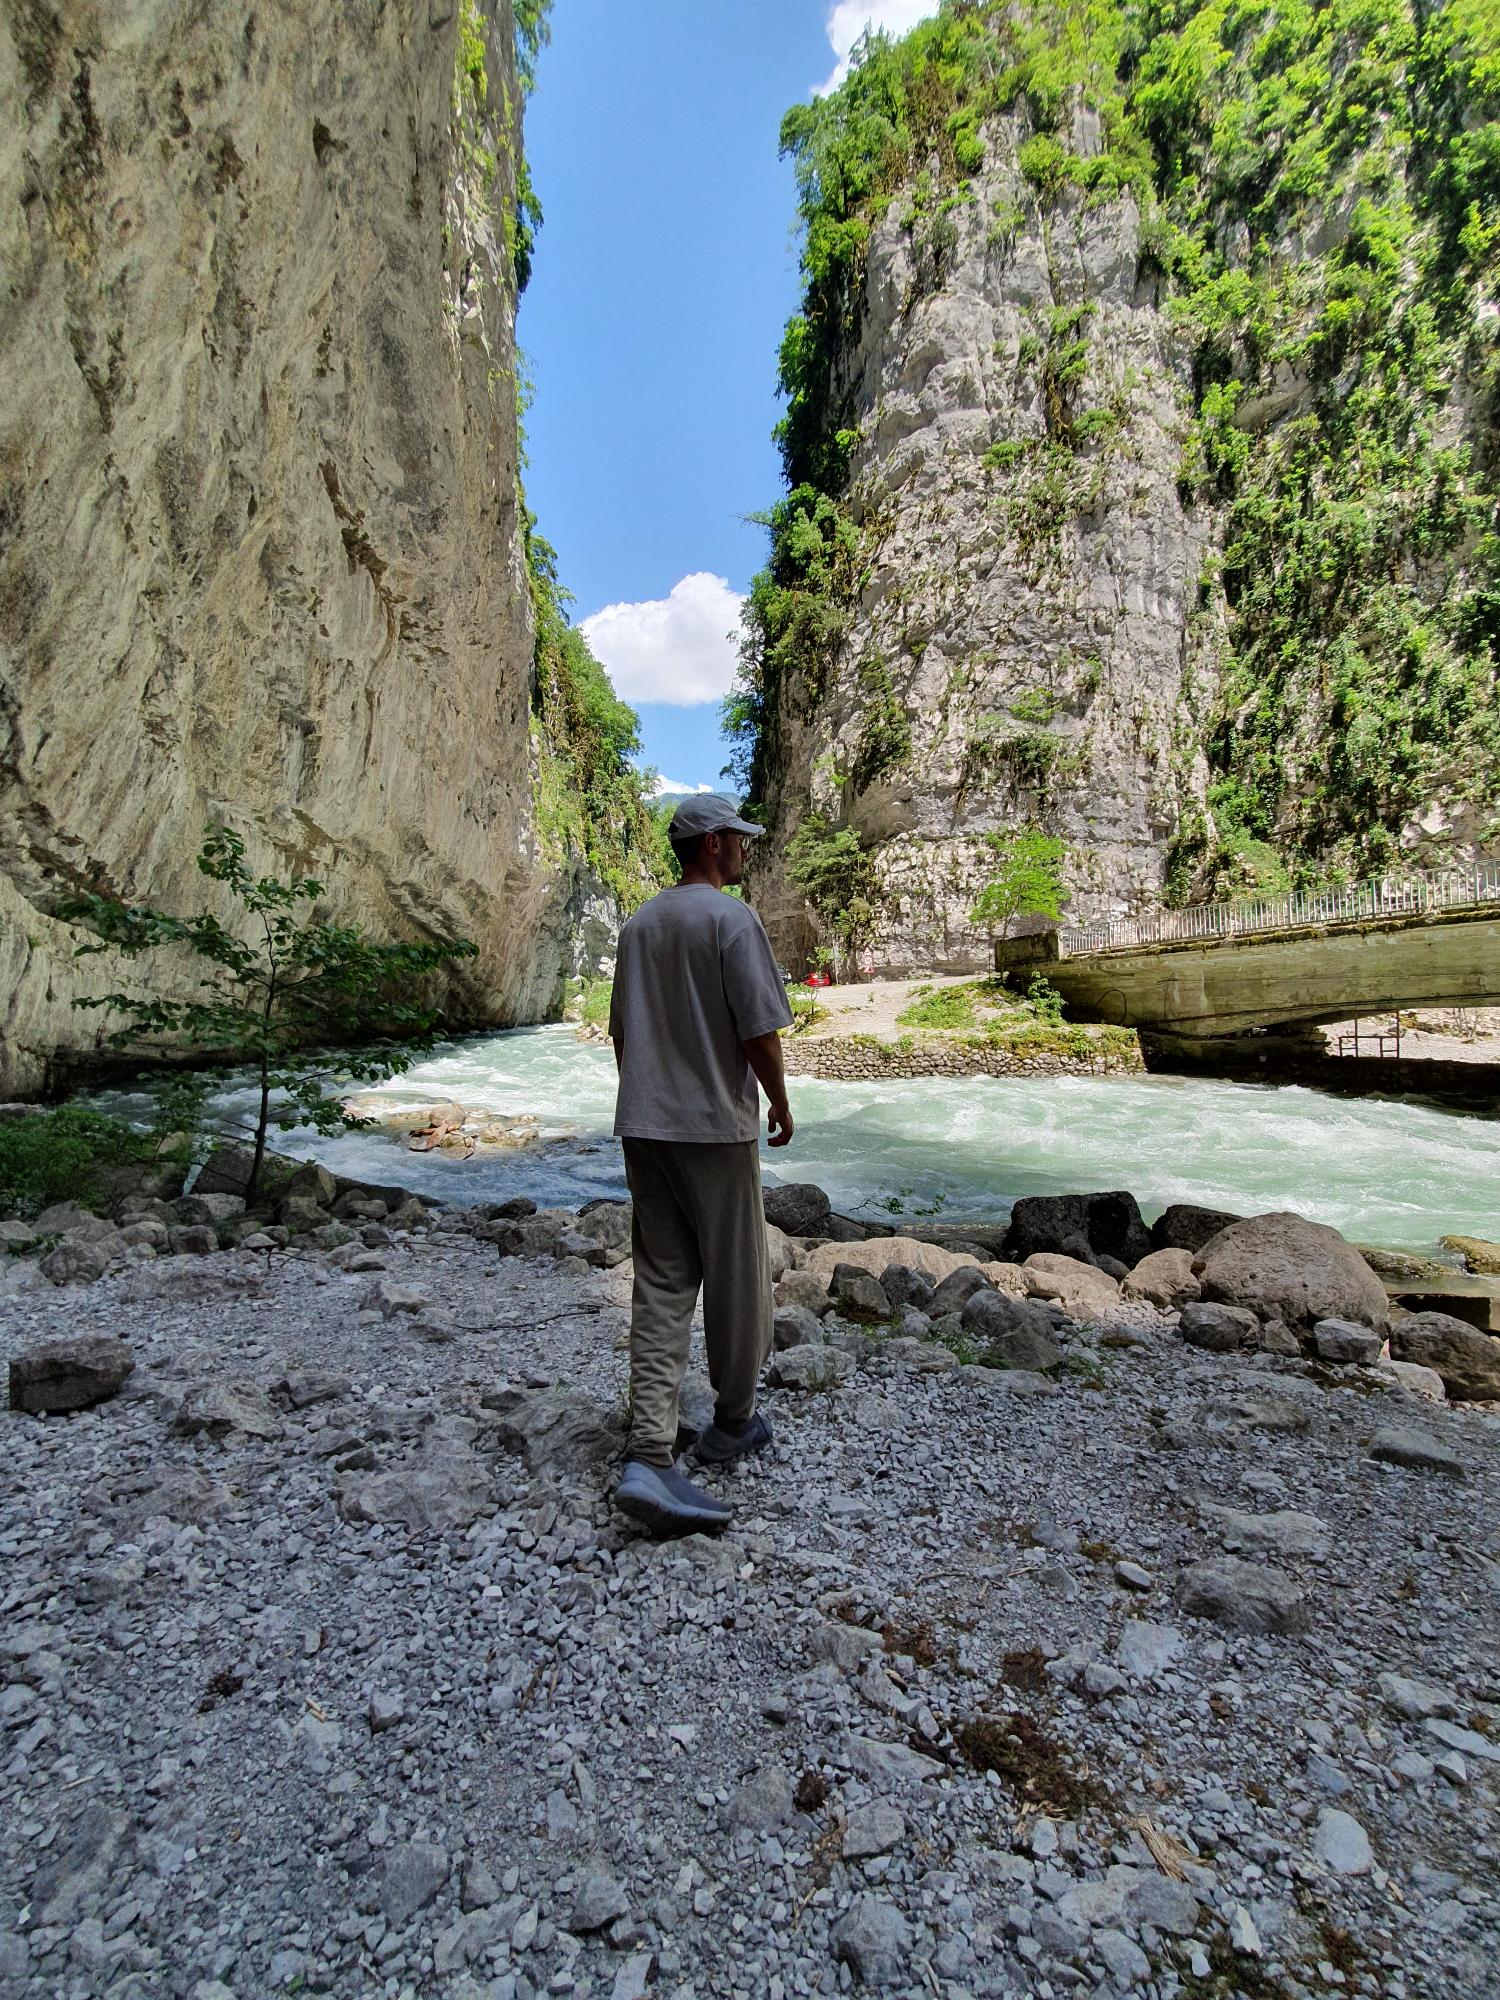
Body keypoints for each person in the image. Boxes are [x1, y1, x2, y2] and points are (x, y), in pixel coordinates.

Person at [608, 793, 795, 1535]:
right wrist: (778, 1103)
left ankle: (650, 1453)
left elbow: (624, 1035)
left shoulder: (638, 925)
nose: (746, 850)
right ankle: (731, 1421)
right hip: (715, 1129)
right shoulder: (730, 919)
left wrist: (646, 1098)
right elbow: (758, 1030)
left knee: (660, 1280)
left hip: (645, 1126)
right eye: (740, 840)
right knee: (738, 1276)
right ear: (713, 844)